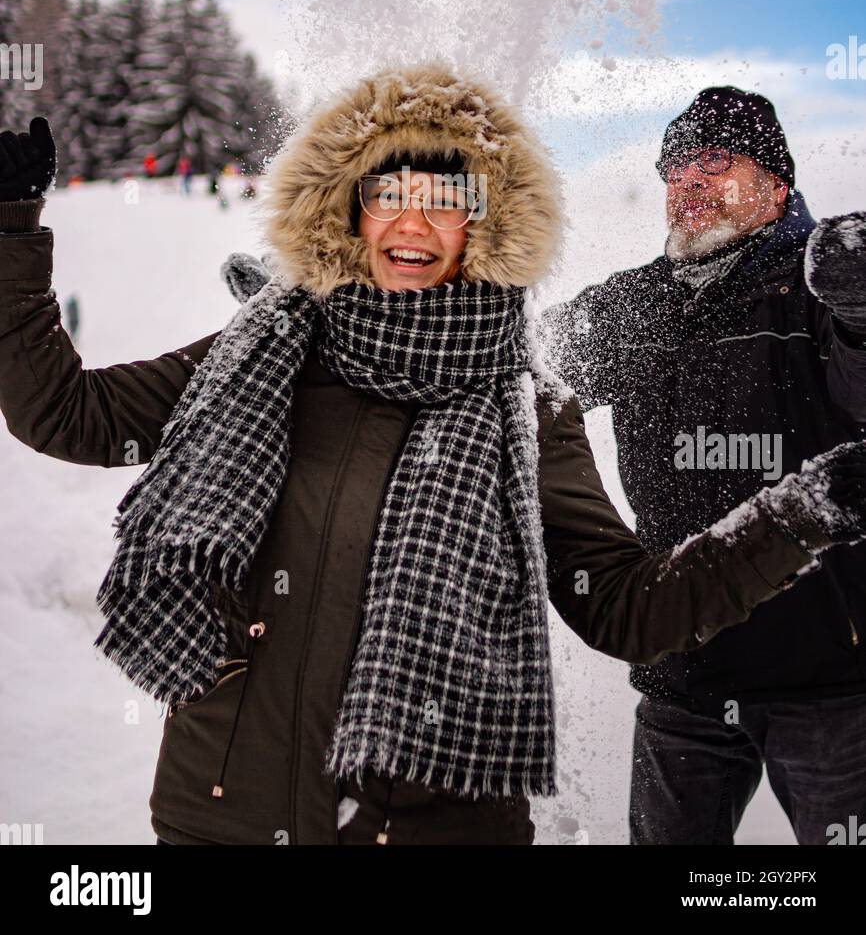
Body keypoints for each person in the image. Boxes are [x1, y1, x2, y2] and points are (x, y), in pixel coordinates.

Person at [0, 74, 864, 848]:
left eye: (445, 196)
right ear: (349, 210)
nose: (412, 219)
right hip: (219, 816)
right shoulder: (265, 354)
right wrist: (10, 235)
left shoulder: (531, 399)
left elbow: (629, 605)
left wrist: (800, 510)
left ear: (482, 224)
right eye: (387, 193)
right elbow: (67, 413)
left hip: (452, 821)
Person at [540, 85, 866, 846]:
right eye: (674, 173)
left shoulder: (817, 290)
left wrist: (860, 315)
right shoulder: (632, 307)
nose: (687, 188)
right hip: (684, 669)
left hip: (830, 680)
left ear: (776, 184)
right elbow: (509, 373)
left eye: (713, 166)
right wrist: (343, 325)